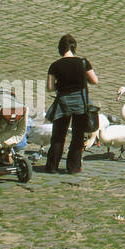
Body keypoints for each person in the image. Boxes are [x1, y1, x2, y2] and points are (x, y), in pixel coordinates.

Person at [43, 34, 99, 174]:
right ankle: (73, 167)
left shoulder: (55, 65)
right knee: (78, 136)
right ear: (74, 47)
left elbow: (49, 88)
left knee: (58, 136)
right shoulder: (83, 62)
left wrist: (60, 86)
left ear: (60, 49)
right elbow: (94, 81)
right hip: (81, 103)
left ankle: (52, 166)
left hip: (62, 104)